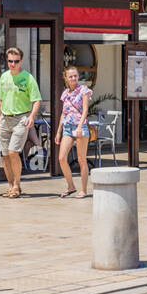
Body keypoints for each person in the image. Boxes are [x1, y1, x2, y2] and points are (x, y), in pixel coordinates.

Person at [0, 46, 42, 199]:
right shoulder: (4, 77)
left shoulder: (28, 78)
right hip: (4, 118)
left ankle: (17, 185)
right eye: (10, 61)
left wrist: (32, 116)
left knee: (13, 152)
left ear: (21, 61)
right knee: (5, 155)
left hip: (20, 118)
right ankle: (11, 186)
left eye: (16, 61)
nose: (13, 64)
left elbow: (36, 100)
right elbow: (1, 100)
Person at [56, 66, 93, 199]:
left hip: (80, 127)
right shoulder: (65, 93)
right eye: (70, 76)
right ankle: (70, 186)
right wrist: (58, 131)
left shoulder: (84, 90)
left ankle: (83, 189)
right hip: (67, 126)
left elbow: (85, 110)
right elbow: (63, 113)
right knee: (61, 158)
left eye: (75, 76)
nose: (73, 78)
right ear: (66, 78)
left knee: (81, 159)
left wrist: (79, 126)